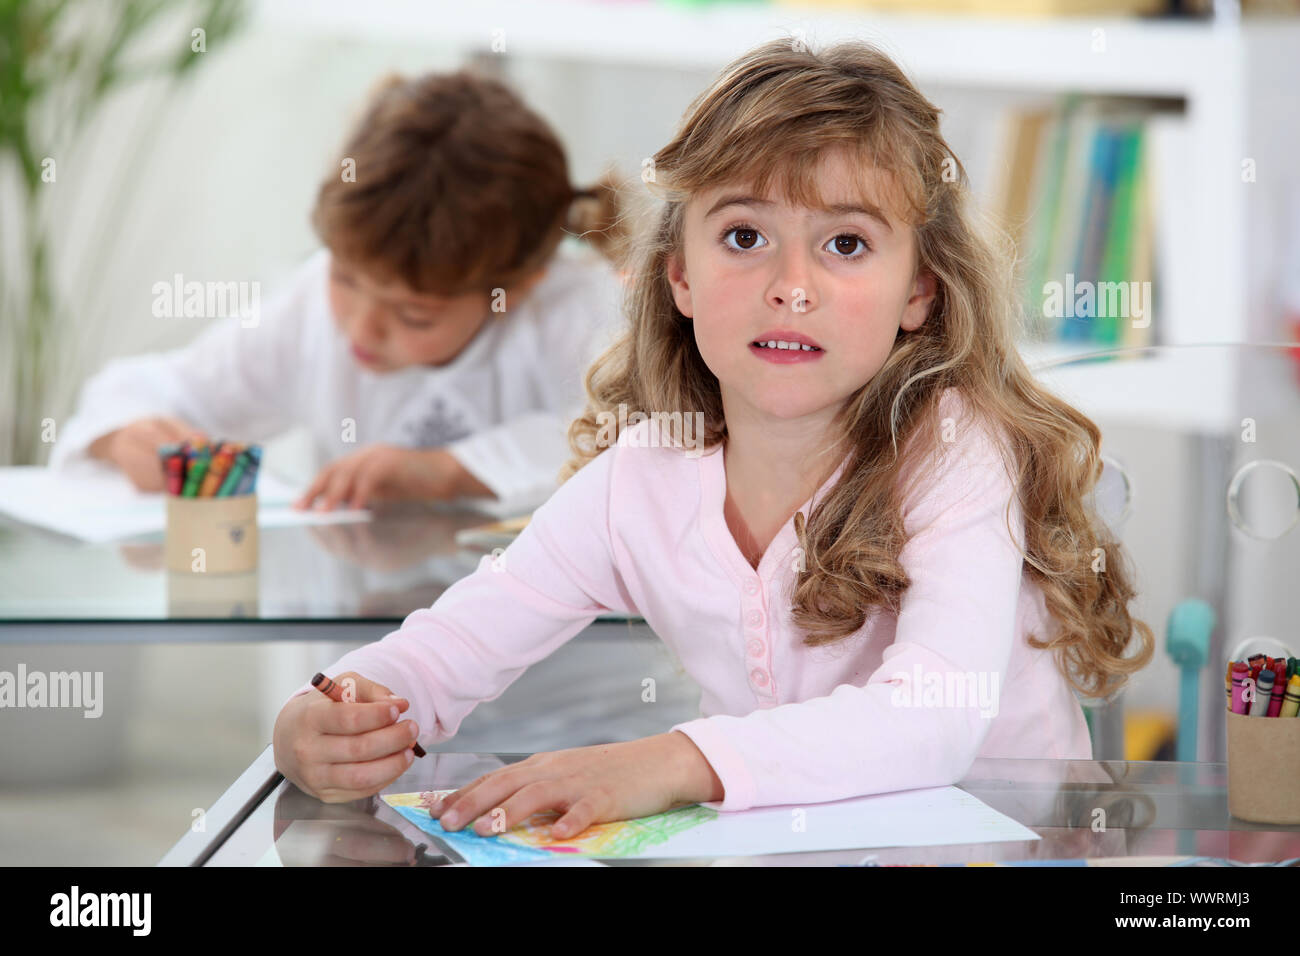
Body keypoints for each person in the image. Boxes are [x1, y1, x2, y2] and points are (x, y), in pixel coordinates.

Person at [273, 38, 1155, 839]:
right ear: (681, 276)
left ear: (919, 293)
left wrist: (660, 760)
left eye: (846, 243)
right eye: (744, 236)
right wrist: (340, 713)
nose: (791, 287)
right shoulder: (644, 478)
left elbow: (931, 720)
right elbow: (449, 649)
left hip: (1005, 849)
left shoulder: (955, 455)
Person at [50, 69, 630, 514]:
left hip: (556, 664)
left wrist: (452, 470)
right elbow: (155, 389)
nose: (360, 328)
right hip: (357, 654)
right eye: (345, 280)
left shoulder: (586, 314)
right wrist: (125, 434)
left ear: (520, 285)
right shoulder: (309, 311)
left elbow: (638, 440)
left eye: (415, 315)